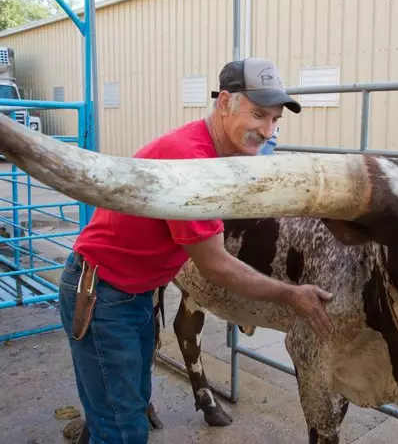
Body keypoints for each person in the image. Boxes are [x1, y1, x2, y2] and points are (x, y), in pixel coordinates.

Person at [57, 58, 334, 444]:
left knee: (128, 404)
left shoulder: (220, 154)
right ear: (224, 102)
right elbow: (216, 266)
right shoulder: (192, 161)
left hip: (132, 293)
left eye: (275, 120)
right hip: (103, 294)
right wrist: (292, 294)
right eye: (258, 115)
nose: (268, 131)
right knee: (122, 431)